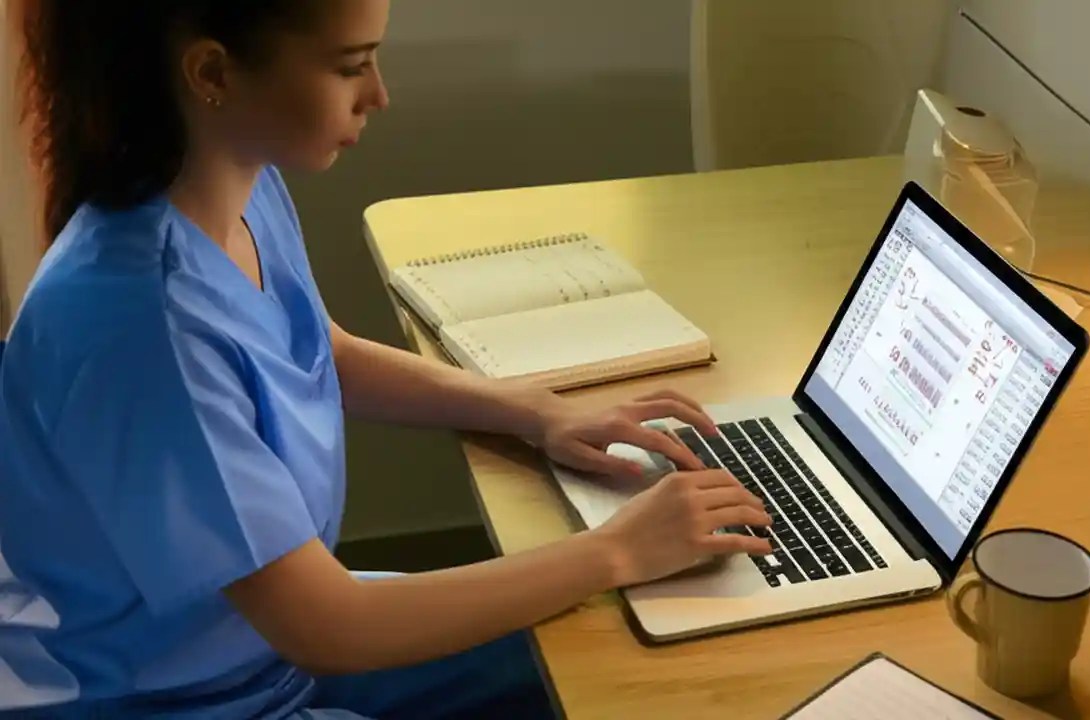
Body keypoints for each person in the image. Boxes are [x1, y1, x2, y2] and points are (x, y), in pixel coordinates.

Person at [0, 1, 772, 717]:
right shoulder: (143, 323)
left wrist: (536, 411)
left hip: (264, 649)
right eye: (349, 66)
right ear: (212, 74)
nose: (379, 94)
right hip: (182, 698)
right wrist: (617, 548)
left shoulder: (232, 184)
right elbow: (332, 627)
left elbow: (319, 351)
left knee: (607, 652)